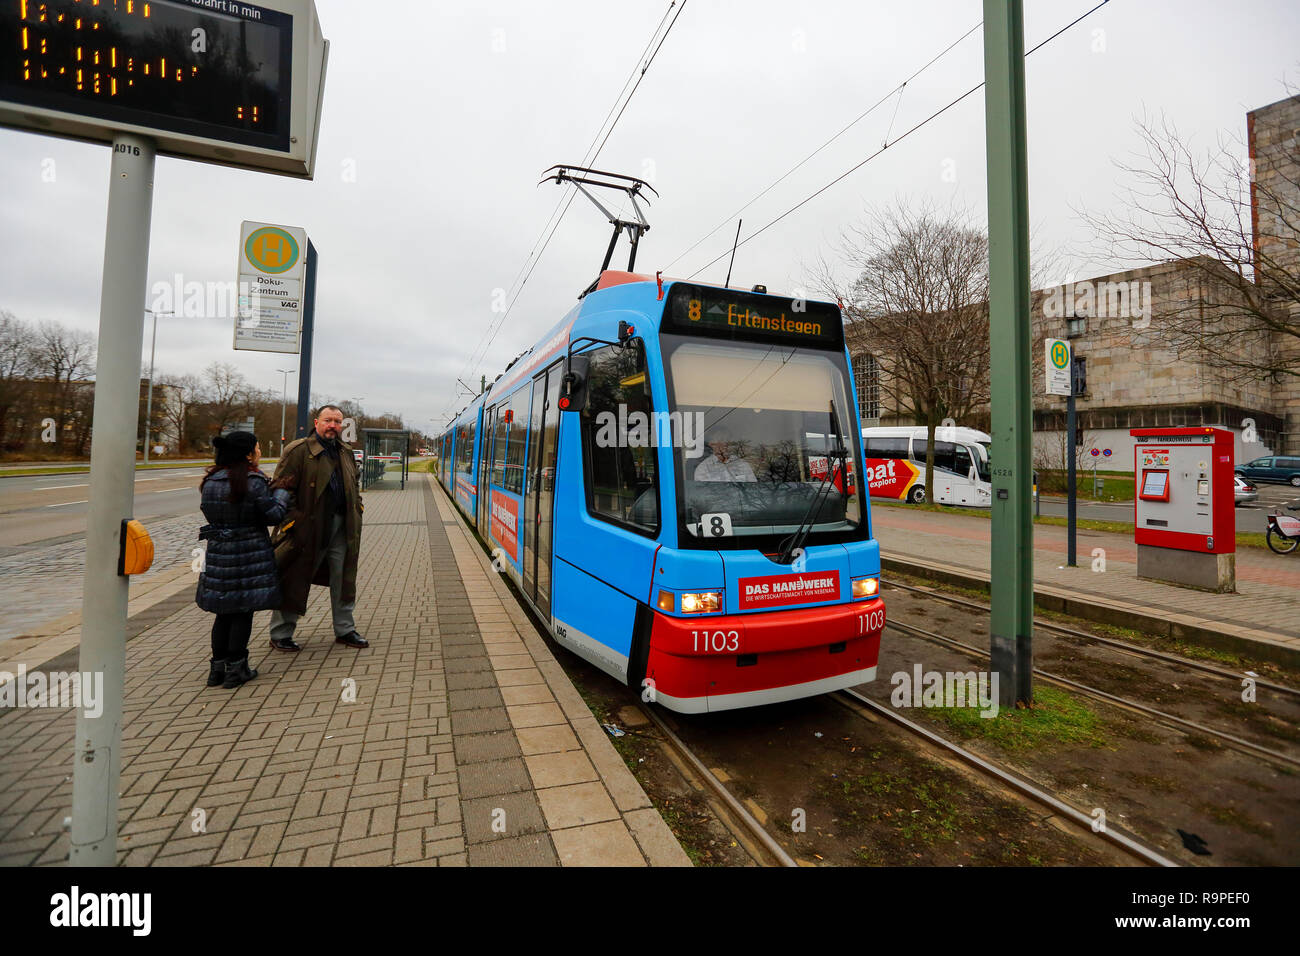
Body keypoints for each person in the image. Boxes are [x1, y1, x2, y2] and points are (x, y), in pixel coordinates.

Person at [195, 431, 293, 689]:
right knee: (242, 611)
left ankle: (217, 669)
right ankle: (237, 669)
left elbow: (209, 512)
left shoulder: (211, 481)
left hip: (219, 553)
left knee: (223, 612)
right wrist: (282, 492)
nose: (259, 452)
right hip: (248, 553)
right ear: (248, 453)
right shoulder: (252, 481)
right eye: (257, 448)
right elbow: (274, 515)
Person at [268, 404, 367, 651]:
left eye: (337, 421)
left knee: (343, 580)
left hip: (342, 527)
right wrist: (294, 520)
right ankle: (280, 633)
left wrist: (358, 508)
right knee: (294, 578)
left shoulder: (345, 451)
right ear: (317, 423)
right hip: (307, 528)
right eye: (328, 420)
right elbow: (281, 488)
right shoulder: (298, 451)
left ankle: (345, 630)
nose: (333, 425)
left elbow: (354, 486)